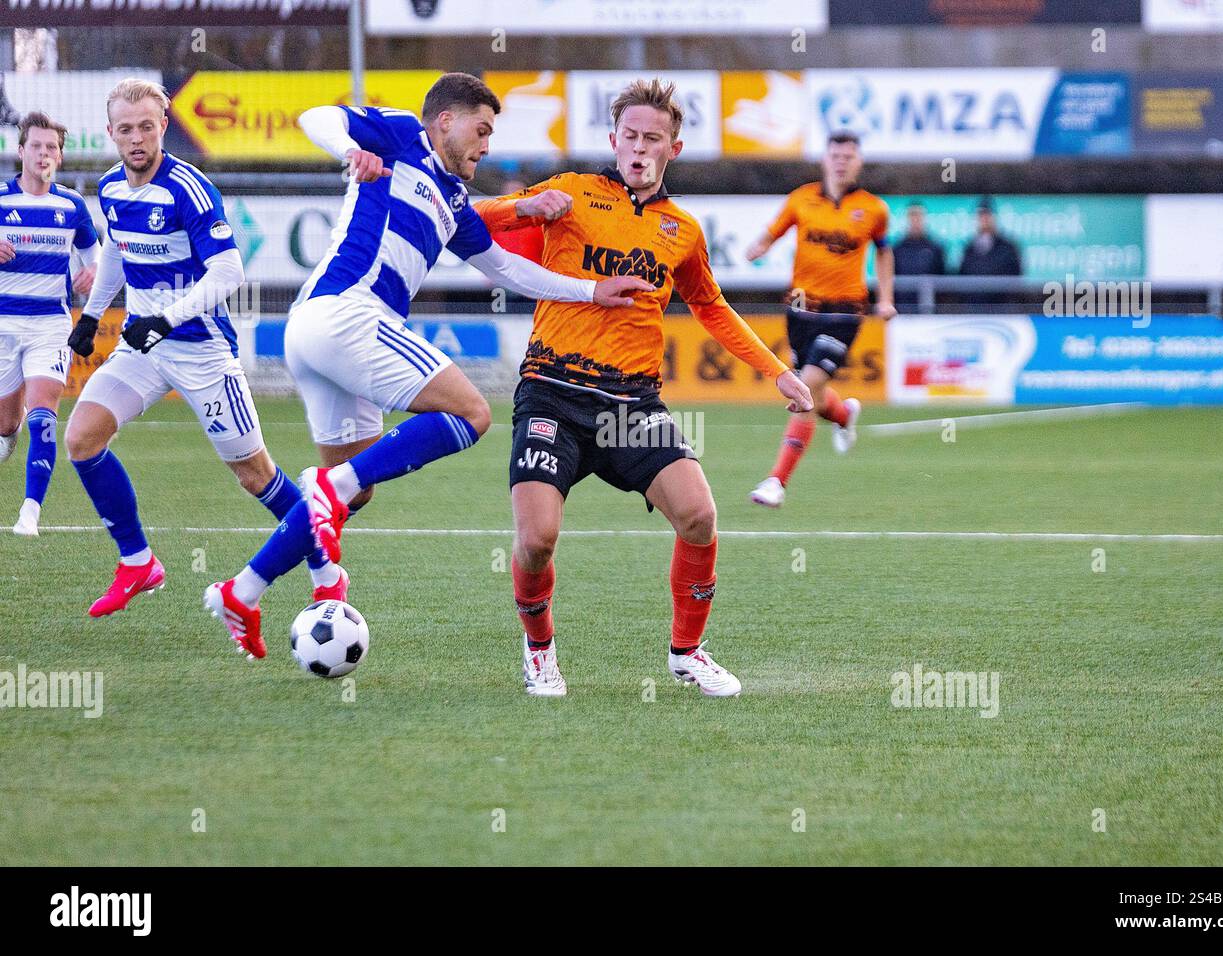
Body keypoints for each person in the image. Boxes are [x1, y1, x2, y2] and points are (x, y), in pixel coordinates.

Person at [204, 72, 651, 659]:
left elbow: (509, 272)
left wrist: (591, 291)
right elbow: (318, 116)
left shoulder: (456, 199)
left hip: (322, 332)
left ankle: (242, 590)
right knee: (470, 412)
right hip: (345, 314)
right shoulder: (400, 135)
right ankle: (326, 498)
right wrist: (351, 151)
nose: (486, 145)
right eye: (482, 130)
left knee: (352, 494)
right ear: (445, 120)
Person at [476, 78, 813, 698]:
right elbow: (468, 219)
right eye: (629, 136)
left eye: (651, 138)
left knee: (699, 516)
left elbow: (711, 308)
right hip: (552, 391)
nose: (638, 147)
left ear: (672, 149)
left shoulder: (681, 229)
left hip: (632, 404)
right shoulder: (570, 193)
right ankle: (539, 650)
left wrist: (778, 371)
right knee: (535, 539)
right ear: (613, 139)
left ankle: (687, 653)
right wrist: (520, 208)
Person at [64, 78, 343, 620]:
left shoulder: (188, 188)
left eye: (147, 126)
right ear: (111, 134)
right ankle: (138, 563)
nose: (137, 137)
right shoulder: (111, 188)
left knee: (255, 476)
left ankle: (328, 571)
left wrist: (165, 318)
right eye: (126, 129)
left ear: (163, 126)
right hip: (144, 348)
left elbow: (229, 270)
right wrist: (94, 314)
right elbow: (117, 254)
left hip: (201, 350)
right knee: (82, 436)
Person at [744, 130, 895, 509]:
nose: (842, 161)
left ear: (858, 162)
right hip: (800, 309)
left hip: (845, 311)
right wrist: (757, 247)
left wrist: (887, 298)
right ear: (825, 159)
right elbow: (772, 232)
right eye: (835, 155)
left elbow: (885, 253)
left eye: (849, 155)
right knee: (815, 392)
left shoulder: (874, 209)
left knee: (806, 387)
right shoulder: (801, 198)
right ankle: (843, 414)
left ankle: (777, 481)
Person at [0, 112, 99, 536]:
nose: (44, 154)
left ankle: (30, 512)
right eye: (36, 146)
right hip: (4, 325)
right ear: (21, 151)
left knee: (43, 415)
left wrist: (93, 274)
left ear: (59, 156)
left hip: (50, 325)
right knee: (7, 424)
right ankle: (9, 430)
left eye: (51, 148)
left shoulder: (72, 206)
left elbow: (98, 259)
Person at [958, 196, 1021, 306]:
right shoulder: (969, 248)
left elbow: (1014, 280)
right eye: (981, 215)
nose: (984, 219)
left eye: (987, 215)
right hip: (974, 309)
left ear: (994, 217)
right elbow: (963, 277)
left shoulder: (1008, 248)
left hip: (1001, 310)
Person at [891, 200, 946, 310]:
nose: (916, 220)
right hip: (902, 309)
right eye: (912, 215)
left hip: (929, 310)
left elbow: (942, 280)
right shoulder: (897, 248)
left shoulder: (935, 248)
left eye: (919, 215)